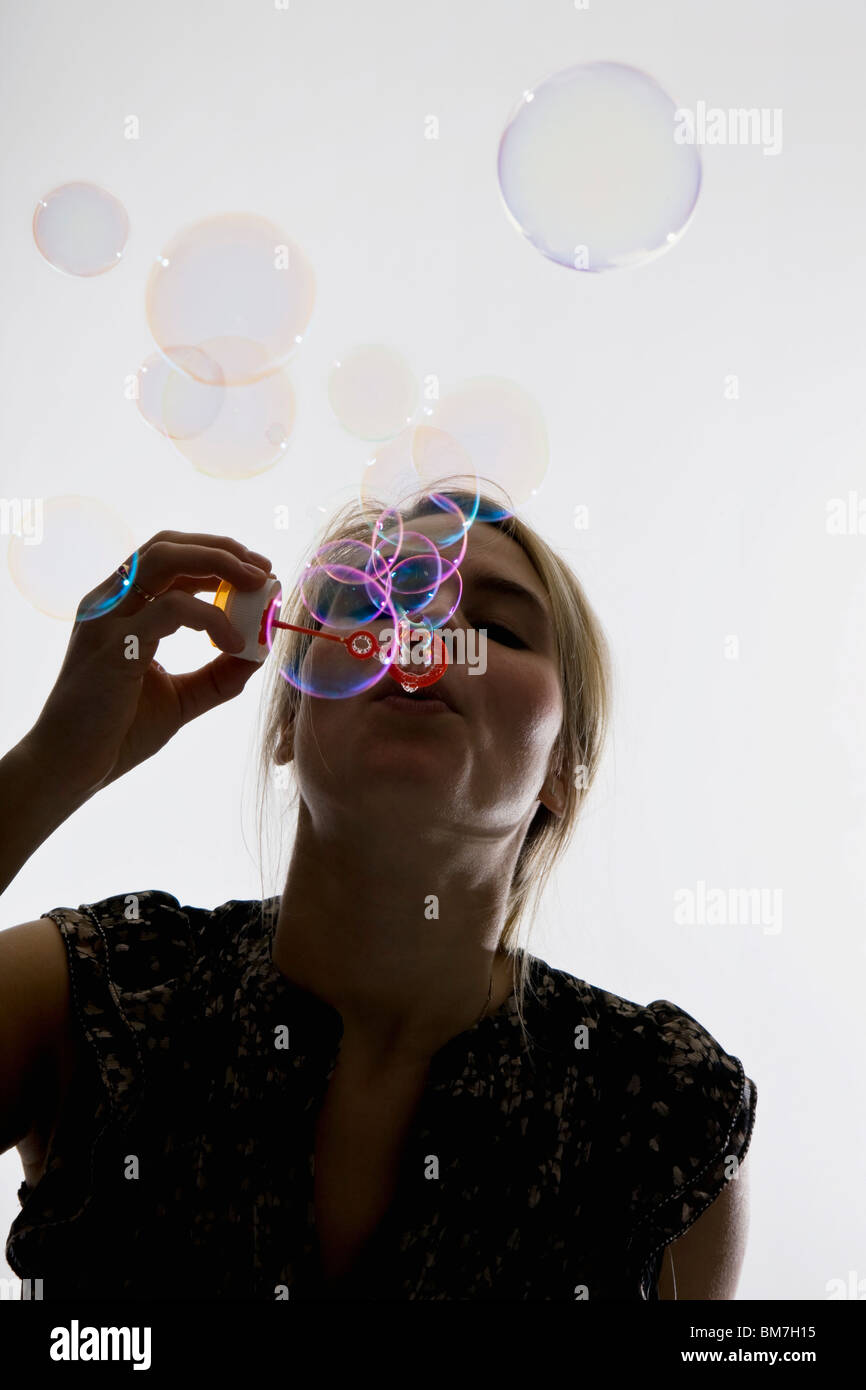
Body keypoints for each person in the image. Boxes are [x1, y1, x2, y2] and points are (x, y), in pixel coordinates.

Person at [0, 488, 756, 1300]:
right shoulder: (92, 994)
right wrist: (50, 767)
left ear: (563, 771)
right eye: (369, 603)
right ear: (288, 720)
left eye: (498, 630)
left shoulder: (664, 1111)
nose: (423, 635)